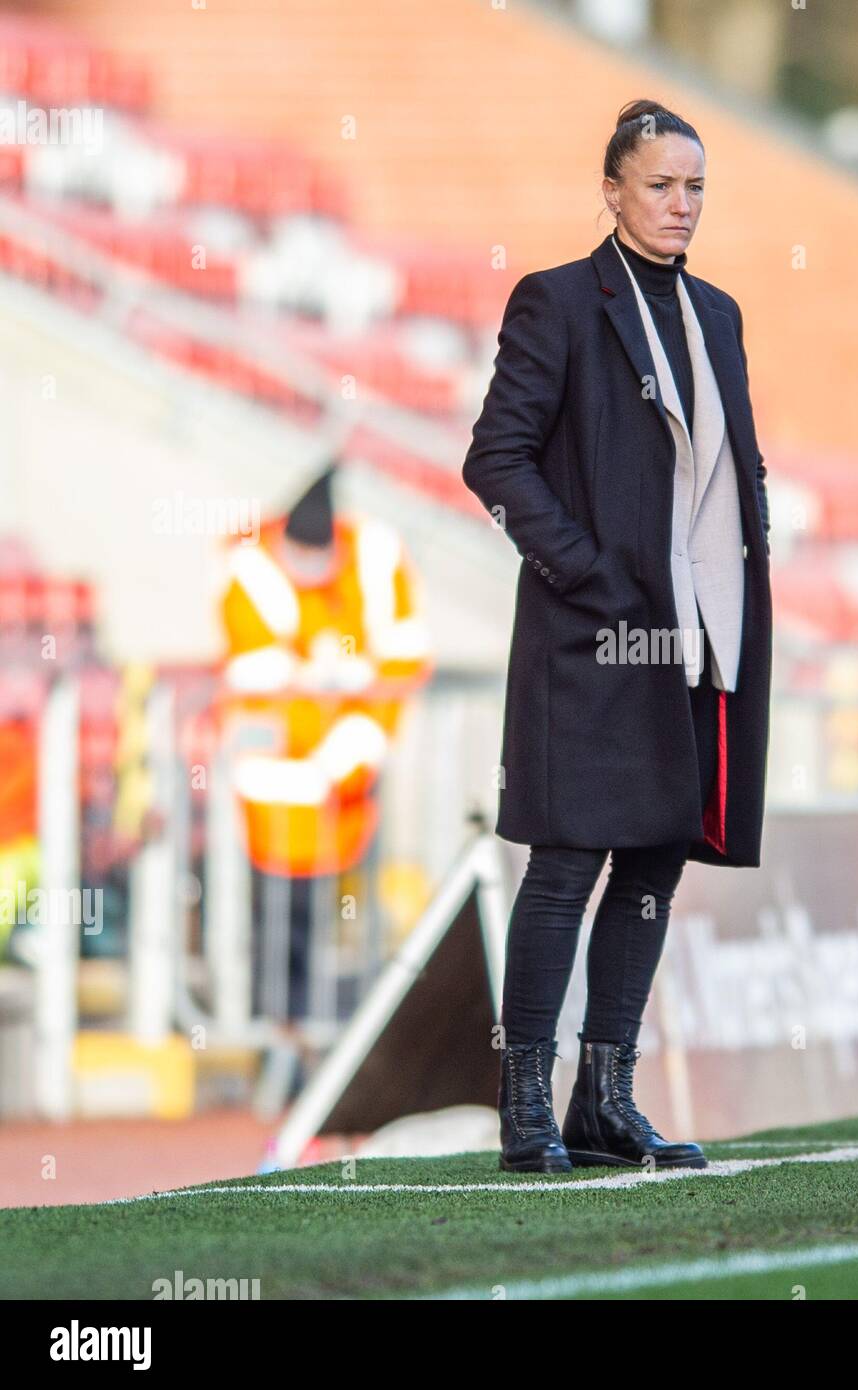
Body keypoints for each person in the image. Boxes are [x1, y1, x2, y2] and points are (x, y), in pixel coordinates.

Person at [462, 99, 773, 1173]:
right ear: (611, 189)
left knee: (652, 860)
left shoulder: (718, 313)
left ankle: (604, 1101)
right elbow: (493, 461)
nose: (680, 205)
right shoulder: (554, 301)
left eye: (694, 187)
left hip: (695, 635)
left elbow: (727, 473)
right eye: (659, 185)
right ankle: (525, 1112)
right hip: (590, 636)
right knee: (566, 865)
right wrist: (589, 574)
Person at [218, 462, 433, 1057]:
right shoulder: (254, 570)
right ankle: (280, 1039)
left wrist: (350, 743)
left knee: (336, 925)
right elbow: (253, 670)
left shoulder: (371, 559)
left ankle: (324, 1044)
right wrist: (330, 679)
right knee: (276, 924)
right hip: (276, 788)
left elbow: (403, 658)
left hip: (347, 785)